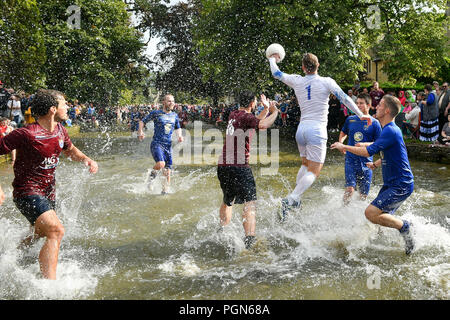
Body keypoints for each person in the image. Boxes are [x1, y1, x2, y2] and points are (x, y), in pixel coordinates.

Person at [0, 89, 98, 279]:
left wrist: (87, 159)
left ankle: (9, 258)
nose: (68, 107)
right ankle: (50, 287)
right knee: (56, 230)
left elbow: (70, 150)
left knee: (39, 234)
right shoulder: (26, 133)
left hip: (47, 192)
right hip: (26, 192)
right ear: (53, 109)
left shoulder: (60, 130)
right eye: (64, 104)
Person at [268, 52, 372, 222]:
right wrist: (361, 114)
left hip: (301, 130)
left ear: (303, 68)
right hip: (317, 130)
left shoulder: (297, 80)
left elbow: (276, 73)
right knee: (314, 170)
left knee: (305, 164)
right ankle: (292, 198)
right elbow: (345, 98)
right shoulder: (326, 81)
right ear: (318, 66)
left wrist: (272, 59)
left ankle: (297, 198)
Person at [331, 95, 415, 255]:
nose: (377, 107)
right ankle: (401, 237)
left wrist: (345, 146)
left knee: (370, 213)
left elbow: (368, 152)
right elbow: (386, 148)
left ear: (388, 110)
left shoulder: (390, 130)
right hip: (394, 183)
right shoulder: (389, 130)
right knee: (379, 218)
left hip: (401, 184)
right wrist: (376, 164)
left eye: (381, 105)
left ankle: (405, 226)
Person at [217, 91, 278, 249]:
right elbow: (262, 125)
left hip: (223, 166)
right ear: (252, 103)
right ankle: (249, 242)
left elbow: (254, 121)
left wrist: (264, 109)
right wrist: (274, 111)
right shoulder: (246, 117)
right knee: (250, 203)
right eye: (256, 102)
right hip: (239, 166)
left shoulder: (234, 114)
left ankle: (221, 232)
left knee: (228, 200)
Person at [338, 93, 382, 205]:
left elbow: (379, 143)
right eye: (357, 103)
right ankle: (343, 210)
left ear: (368, 105)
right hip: (351, 160)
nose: (358, 105)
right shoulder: (350, 119)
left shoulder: (375, 123)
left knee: (363, 196)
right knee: (350, 189)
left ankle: (358, 216)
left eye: (361, 103)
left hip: (366, 163)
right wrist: (340, 142)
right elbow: (343, 132)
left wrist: (365, 144)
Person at [137, 94, 183, 194]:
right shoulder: (156, 113)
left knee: (167, 171)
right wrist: (140, 132)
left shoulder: (174, 115)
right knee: (161, 164)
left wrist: (179, 135)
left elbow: (177, 127)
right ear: (164, 102)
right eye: (169, 101)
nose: (172, 103)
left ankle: (165, 191)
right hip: (157, 143)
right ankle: (151, 179)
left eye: (173, 101)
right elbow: (142, 122)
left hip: (168, 145)